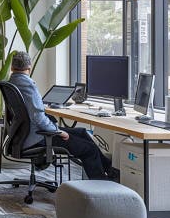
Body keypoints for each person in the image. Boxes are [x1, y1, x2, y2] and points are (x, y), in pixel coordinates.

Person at [8, 51, 114, 180]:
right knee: (89, 149)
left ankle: (109, 169)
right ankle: (101, 187)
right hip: (38, 138)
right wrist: (58, 132)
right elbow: (38, 118)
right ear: (29, 68)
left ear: (12, 67)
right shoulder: (28, 85)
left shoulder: (11, 83)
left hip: (23, 135)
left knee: (81, 132)